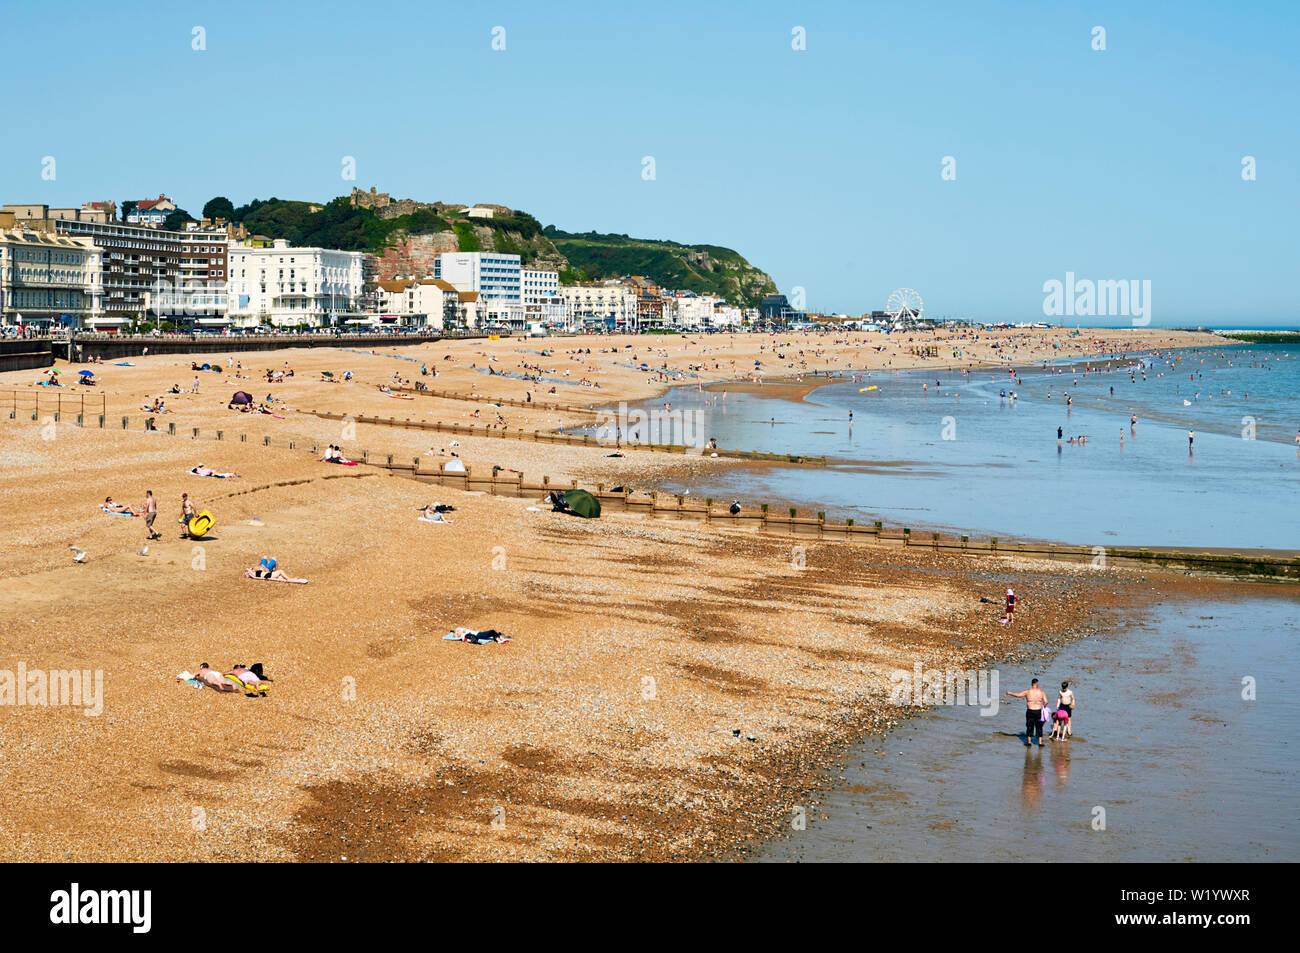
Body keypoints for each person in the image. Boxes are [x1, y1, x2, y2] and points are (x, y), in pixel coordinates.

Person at [1007, 678, 1049, 747]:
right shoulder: (1041, 692)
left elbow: (1018, 695)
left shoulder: (1028, 691)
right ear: (1037, 684)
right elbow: (1046, 701)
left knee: (1029, 726)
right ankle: (1040, 743)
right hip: (1038, 711)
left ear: (1031, 684)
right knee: (1039, 726)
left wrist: (1010, 693)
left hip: (1030, 710)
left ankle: (1029, 742)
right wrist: (1043, 707)